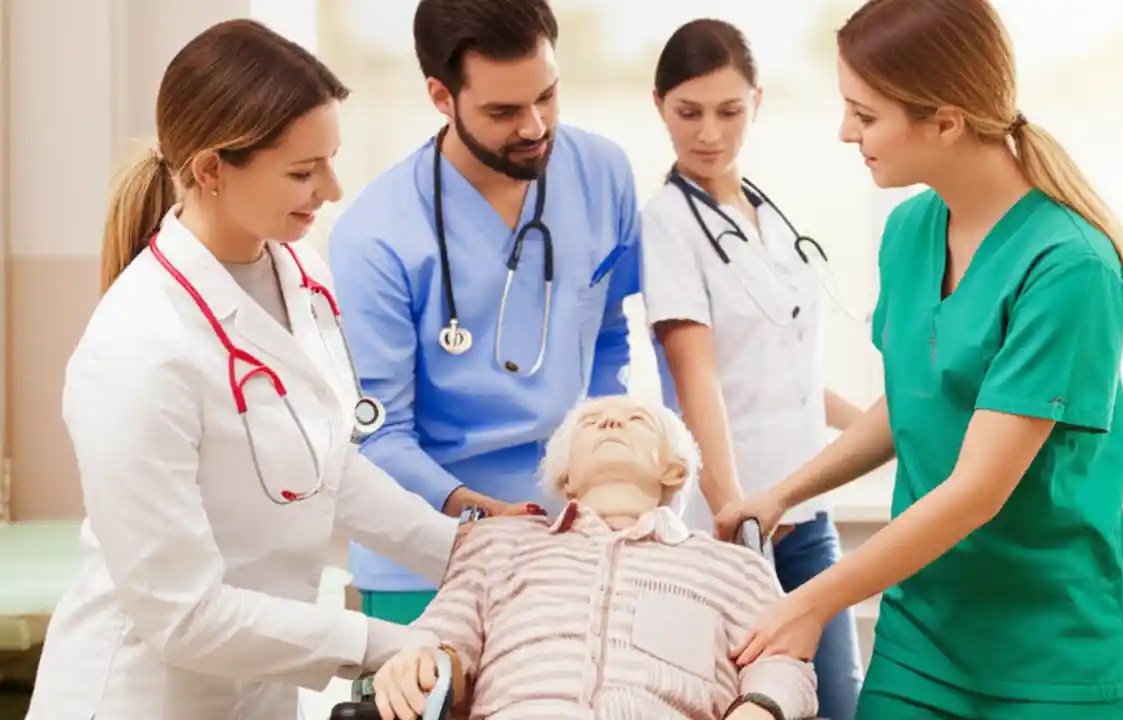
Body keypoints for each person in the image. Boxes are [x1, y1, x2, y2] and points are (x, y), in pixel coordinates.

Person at [25, 20, 477, 719]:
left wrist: (470, 556)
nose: (331, 188)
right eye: (302, 171)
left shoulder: (300, 274)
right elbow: (183, 615)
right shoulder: (137, 347)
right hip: (139, 697)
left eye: (330, 159)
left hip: (259, 689)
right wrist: (386, 643)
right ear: (211, 170)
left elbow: (324, 467)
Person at [717, 1, 1123, 718]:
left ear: (945, 121)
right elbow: (915, 399)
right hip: (925, 635)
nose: (846, 132)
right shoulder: (911, 230)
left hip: (1054, 650)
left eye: (865, 114)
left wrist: (814, 601)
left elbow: (979, 487)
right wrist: (782, 493)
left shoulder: (1070, 266)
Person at [328, 0, 642, 625]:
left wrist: (609, 481)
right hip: (424, 557)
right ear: (442, 96)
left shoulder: (603, 173)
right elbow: (378, 434)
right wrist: (479, 514)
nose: (533, 127)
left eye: (546, 97)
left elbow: (609, 336)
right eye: (502, 111)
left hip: (574, 544)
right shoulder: (375, 236)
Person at [640, 18, 864, 719]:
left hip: (808, 510)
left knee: (841, 702)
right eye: (689, 113)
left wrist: (881, 428)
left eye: (730, 111)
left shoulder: (765, 213)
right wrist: (736, 507)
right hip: (736, 524)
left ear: (757, 104)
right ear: (659, 107)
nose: (709, 133)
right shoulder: (669, 222)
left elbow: (784, 367)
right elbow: (695, 375)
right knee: (756, 703)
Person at [365, 395, 820, 720]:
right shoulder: (499, 544)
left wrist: (760, 708)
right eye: (591, 421)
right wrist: (416, 655)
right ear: (565, 477)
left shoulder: (732, 567)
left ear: (675, 470)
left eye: (636, 419)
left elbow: (785, 665)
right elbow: (444, 632)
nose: (609, 424)